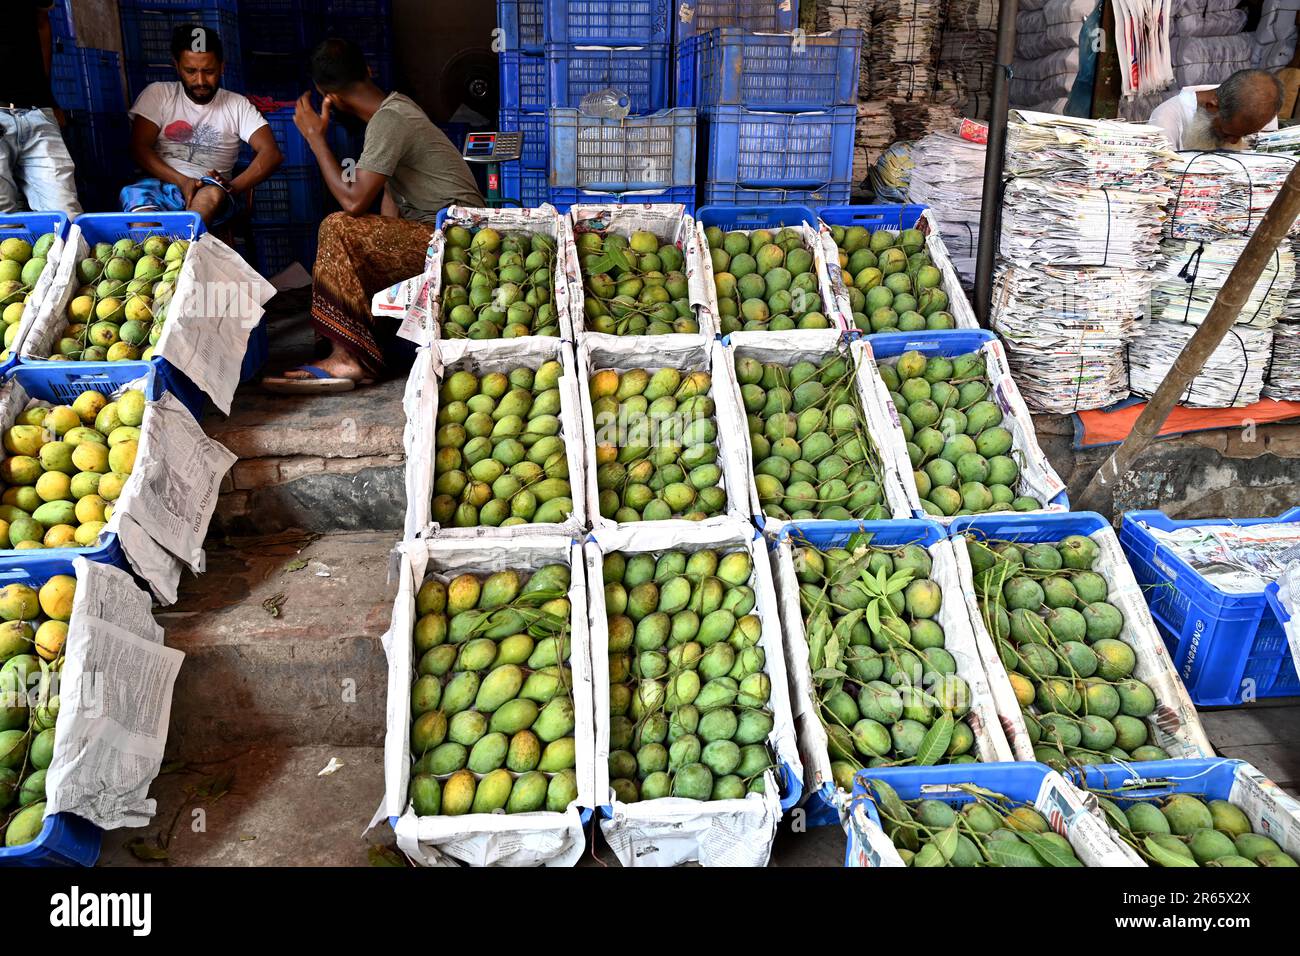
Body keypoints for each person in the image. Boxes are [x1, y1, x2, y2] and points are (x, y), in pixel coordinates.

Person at [261, 38, 484, 393]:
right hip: (437, 235)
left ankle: (346, 358)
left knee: (338, 226)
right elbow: (388, 205)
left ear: (327, 96)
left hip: (454, 241)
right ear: (368, 69)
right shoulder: (394, 110)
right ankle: (355, 349)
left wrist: (316, 139)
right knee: (356, 236)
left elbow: (353, 203)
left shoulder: (389, 119)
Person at [124, 23, 282, 227]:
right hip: (159, 184)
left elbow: (271, 153)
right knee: (140, 210)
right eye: (191, 71)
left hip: (209, 187)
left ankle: (184, 248)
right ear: (176, 66)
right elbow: (139, 148)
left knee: (210, 197)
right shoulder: (158, 94)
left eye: (209, 71)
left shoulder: (237, 105)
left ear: (222, 67)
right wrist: (182, 181)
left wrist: (232, 187)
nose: (200, 80)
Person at [0, 1, 80, 216]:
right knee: (4, 220)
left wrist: (47, 95)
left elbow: (42, 24)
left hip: (36, 111)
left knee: (66, 215)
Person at [1148, 69, 1284, 151]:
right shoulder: (1166, 118)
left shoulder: (1261, 111)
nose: (1234, 141)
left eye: (1243, 135)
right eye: (1227, 133)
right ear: (1212, 106)